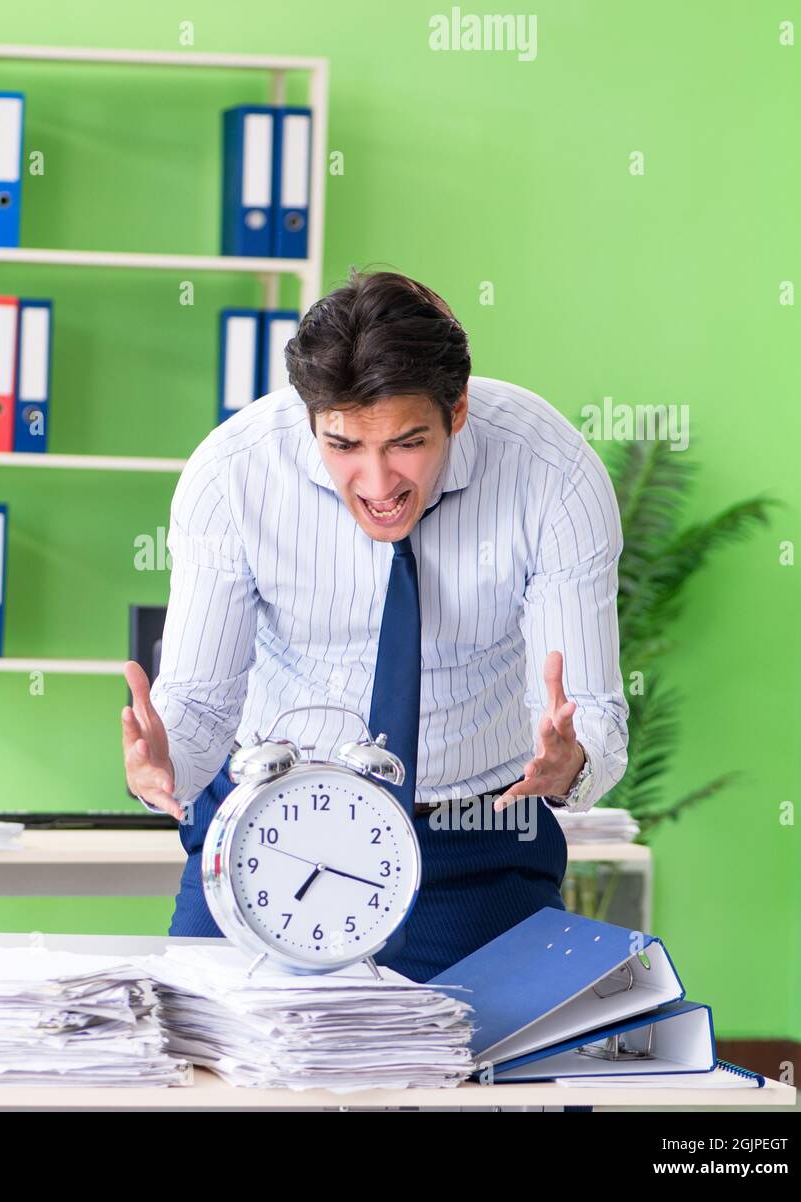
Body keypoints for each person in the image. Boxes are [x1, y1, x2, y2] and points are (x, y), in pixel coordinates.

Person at [121, 268, 628, 982]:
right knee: (219, 1078)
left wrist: (568, 763)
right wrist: (164, 762)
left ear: (457, 409)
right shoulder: (233, 475)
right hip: (272, 837)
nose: (378, 483)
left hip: (468, 841)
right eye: (344, 446)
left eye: (406, 443)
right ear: (310, 419)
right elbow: (200, 708)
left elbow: (594, 715)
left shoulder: (552, 474)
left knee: (498, 1087)